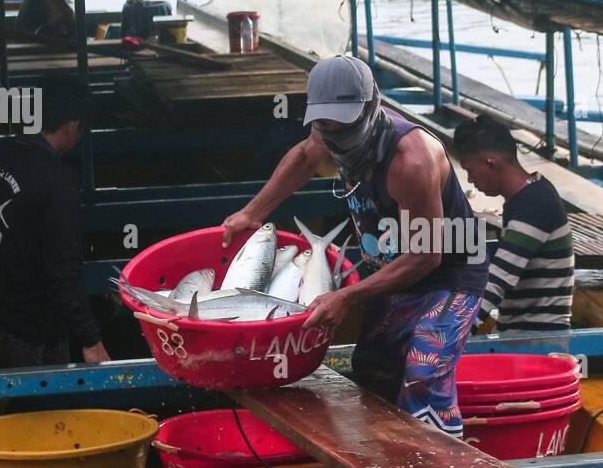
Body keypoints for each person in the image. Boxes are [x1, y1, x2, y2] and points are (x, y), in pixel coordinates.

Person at [222, 55, 488, 436]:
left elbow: (427, 255)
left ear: (371, 107)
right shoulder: (326, 131)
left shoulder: (410, 161)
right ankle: (387, 463)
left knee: (423, 372)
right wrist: (252, 212)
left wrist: (347, 297)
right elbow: (302, 157)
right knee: (372, 372)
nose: (335, 139)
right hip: (391, 269)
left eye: (344, 128)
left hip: (449, 273)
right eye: (325, 128)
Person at [0, 80, 108, 368]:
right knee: (39, 411)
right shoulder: (57, 180)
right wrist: (90, 340)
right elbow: (63, 269)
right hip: (33, 330)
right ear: (72, 126)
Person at [451, 119, 574, 332]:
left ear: (491, 162)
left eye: (470, 170)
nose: (470, 180)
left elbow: (498, 279)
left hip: (538, 338)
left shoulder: (535, 204)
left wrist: (455, 330)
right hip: (518, 329)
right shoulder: (530, 195)